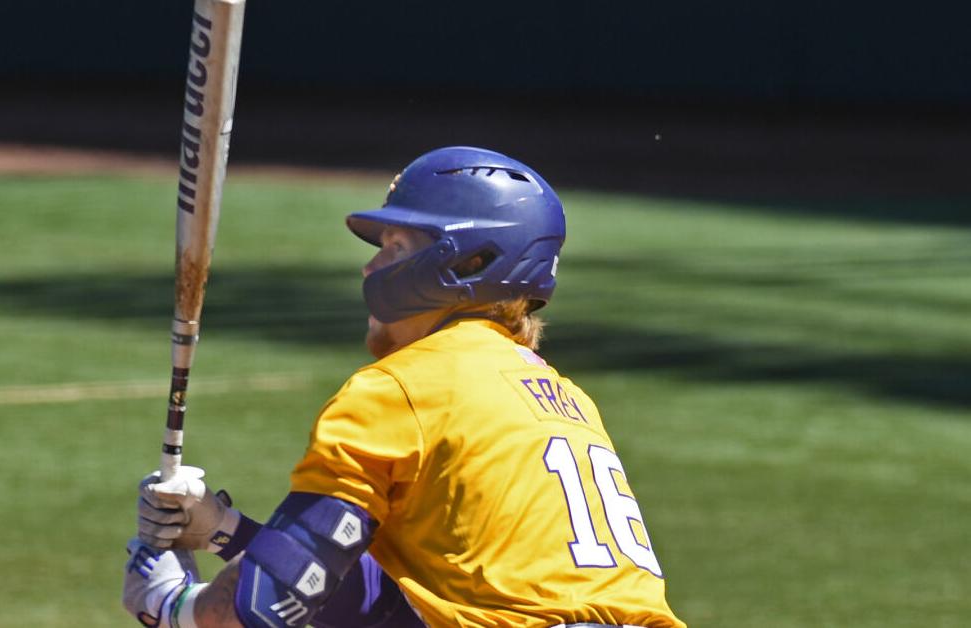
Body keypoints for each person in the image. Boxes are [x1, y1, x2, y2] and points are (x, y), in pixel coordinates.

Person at [122, 146, 687, 628]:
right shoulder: (565, 399)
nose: (370, 269)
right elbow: (394, 607)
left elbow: (264, 606)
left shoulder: (398, 388)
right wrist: (225, 530)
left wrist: (171, 605)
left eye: (395, 247)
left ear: (467, 262)